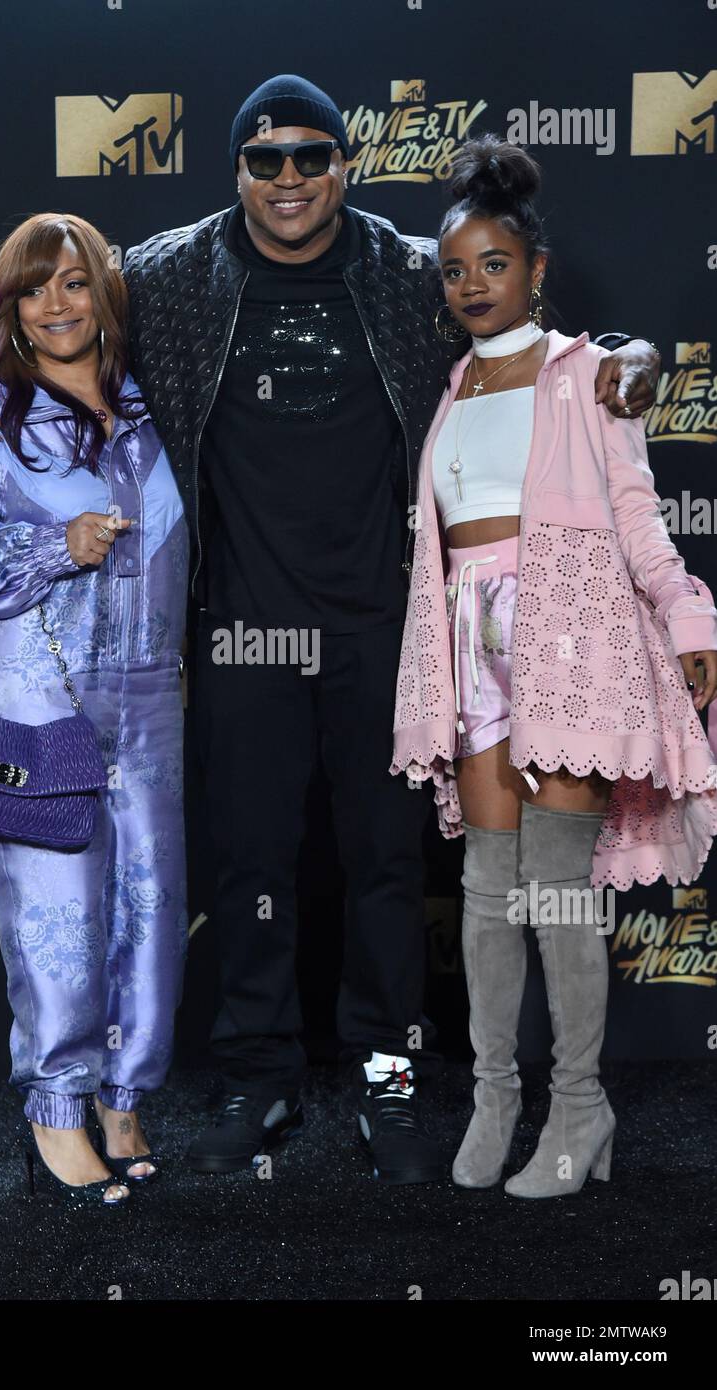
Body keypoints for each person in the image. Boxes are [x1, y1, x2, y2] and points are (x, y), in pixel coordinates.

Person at [0, 75, 661, 1186]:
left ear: (344, 167)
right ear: (236, 172)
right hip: (238, 636)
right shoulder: (172, 272)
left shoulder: (410, 272)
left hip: (387, 630)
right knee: (251, 868)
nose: (287, 180)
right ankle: (257, 1078)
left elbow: (518, 325)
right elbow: (48, 303)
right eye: (264, 161)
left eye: (309, 158)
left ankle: (389, 1087)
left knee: (382, 871)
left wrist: (625, 358)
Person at [391, 135, 717, 1198]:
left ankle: (580, 1107)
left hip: (569, 645)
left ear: (536, 269)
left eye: (494, 263)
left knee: (559, 890)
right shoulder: (447, 386)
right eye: (455, 268)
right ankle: (496, 1101)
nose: (473, 283)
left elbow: (635, 512)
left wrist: (687, 610)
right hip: (469, 648)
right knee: (487, 891)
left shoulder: (590, 376)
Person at [0, 213, 188, 1205]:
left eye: (75, 282)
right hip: (33, 695)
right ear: (10, 309)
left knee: (149, 912)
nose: (57, 304)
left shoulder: (158, 409)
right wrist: (49, 547)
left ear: (106, 293)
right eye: (33, 290)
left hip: (150, 698)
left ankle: (124, 1093)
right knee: (58, 918)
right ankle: (57, 1109)